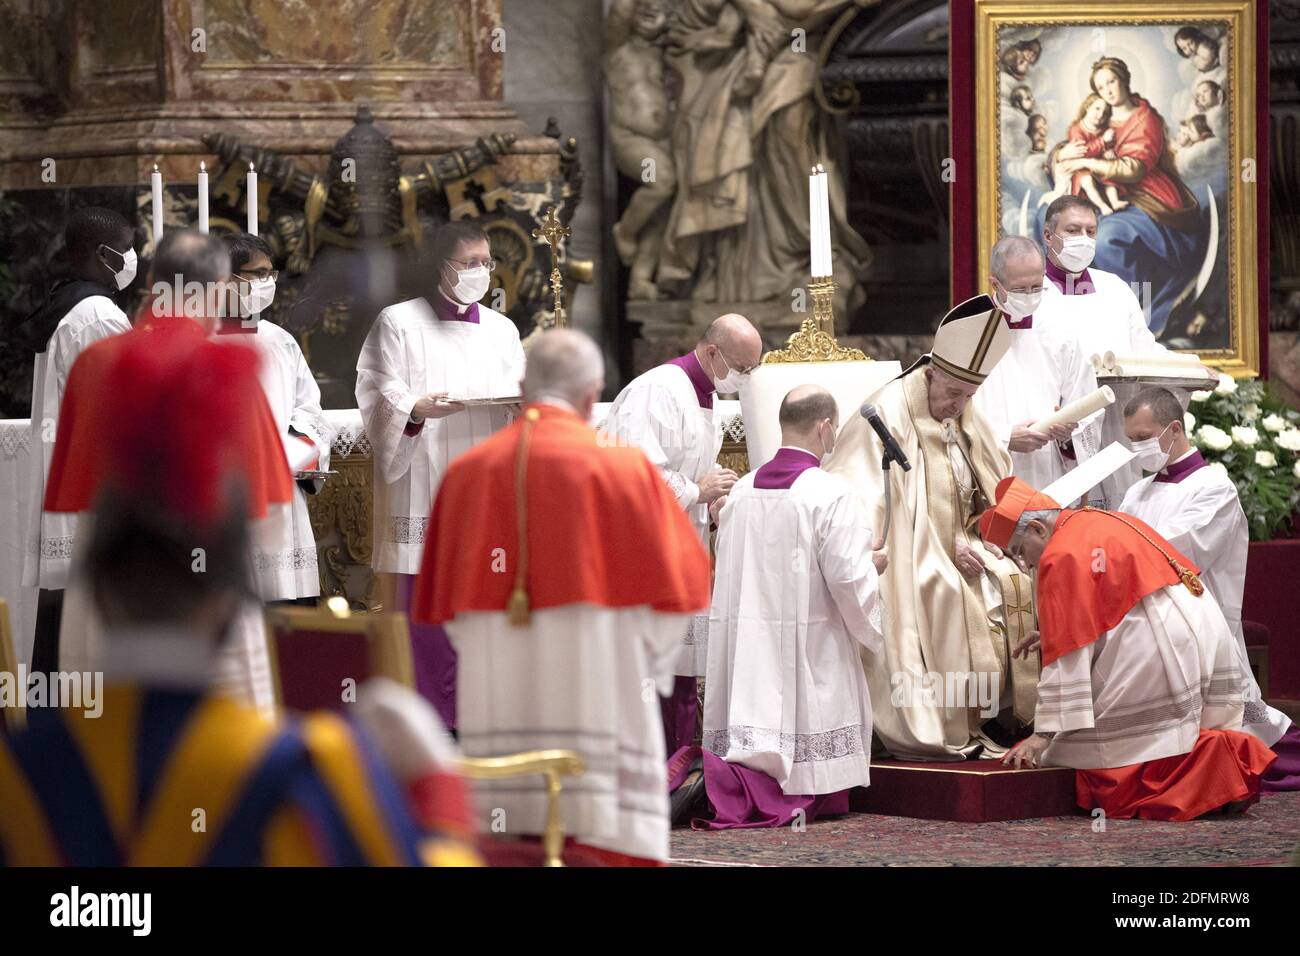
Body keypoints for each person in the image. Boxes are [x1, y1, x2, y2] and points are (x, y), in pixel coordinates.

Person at [0, 315, 477, 866]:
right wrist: (437, 789)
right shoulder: (301, 773)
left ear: (95, 590)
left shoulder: (20, 778)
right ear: (234, 600)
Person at [411, 329, 711, 864]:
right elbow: (682, 591)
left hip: (497, 689)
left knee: (510, 816)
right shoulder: (621, 466)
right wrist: (646, 658)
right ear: (593, 395)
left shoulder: (466, 473)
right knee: (602, 818)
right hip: (605, 680)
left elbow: (447, 613)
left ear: (524, 386)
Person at [43, 230, 294, 713]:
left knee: (101, 738)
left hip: (109, 590)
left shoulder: (97, 359)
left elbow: (78, 493)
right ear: (218, 288)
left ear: (154, 283)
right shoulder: (223, 364)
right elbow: (268, 510)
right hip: (204, 592)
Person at [982, 477, 1276, 820]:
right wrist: (1050, 630)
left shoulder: (1059, 553)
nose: (1026, 564)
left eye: (1021, 552)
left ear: (1036, 529)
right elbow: (1100, 601)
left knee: (1093, 756)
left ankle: (1212, 782)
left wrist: (1045, 733)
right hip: (1199, 625)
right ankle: (1224, 771)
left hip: (1159, 640)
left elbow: (1070, 651)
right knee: (1174, 728)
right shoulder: (1095, 518)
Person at [826, 294, 1038, 760]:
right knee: (944, 589)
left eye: (968, 397)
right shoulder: (885, 413)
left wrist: (980, 536)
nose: (958, 406)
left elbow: (988, 482)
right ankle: (950, 720)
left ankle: (1005, 717)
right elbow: (861, 499)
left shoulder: (963, 409)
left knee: (1019, 581)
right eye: (952, 395)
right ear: (929, 374)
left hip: (965, 542)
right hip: (905, 551)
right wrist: (942, 545)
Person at [668, 385, 886, 828]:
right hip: (810, 641)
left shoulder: (743, 490)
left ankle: (724, 782)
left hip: (748, 644)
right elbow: (847, 578)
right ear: (825, 428)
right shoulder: (832, 494)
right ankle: (769, 789)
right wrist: (873, 568)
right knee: (805, 758)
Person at [355, 221, 526, 731]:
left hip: (485, 482)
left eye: (486, 263)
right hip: (424, 479)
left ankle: (486, 719)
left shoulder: (501, 329)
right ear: (439, 266)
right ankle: (432, 727)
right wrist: (415, 407)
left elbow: (522, 394)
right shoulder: (398, 323)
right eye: (468, 262)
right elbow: (375, 390)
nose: (480, 272)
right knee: (428, 622)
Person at [1118, 387, 1300, 789]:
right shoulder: (1137, 492)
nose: (1139, 449)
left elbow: (1173, 554)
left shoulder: (1214, 488)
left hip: (1200, 622)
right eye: (1132, 440)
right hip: (1145, 616)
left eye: (1144, 438)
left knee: (1241, 737)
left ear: (1174, 429)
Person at [602, 312, 761, 754]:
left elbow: (680, 466)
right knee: (653, 665)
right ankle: (651, 766)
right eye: (744, 368)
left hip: (679, 545)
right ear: (713, 352)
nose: (747, 378)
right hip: (641, 550)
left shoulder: (703, 392)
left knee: (680, 665)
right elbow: (631, 474)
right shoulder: (657, 390)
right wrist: (696, 488)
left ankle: (679, 763)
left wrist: (707, 499)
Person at [19, 207, 135, 675]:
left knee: (62, 621)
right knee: (86, 622)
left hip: (70, 481)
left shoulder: (68, 304)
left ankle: (50, 731)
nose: (132, 259)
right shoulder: (98, 316)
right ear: (102, 254)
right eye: (127, 250)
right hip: (92, 492)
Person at [218, 232, 333, 607]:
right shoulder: (197, 341)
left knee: (287, 617)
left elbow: (310, 411)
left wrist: (291, 451)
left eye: (272, 273)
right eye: (258, 274)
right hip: (222, 501)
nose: (268, 282)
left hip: (279, 494)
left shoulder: (280, 341)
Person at [972, 235, 1102, 493]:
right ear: (995, 284)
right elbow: (949, 416)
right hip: (989, 475)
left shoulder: (1060, 333)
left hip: (1049, 476)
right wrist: (1005, 438)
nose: (1030, 296)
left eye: (1037, 286)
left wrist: (1068, 434)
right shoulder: (970, 334)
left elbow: (1086, 404)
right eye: (1020, 289)